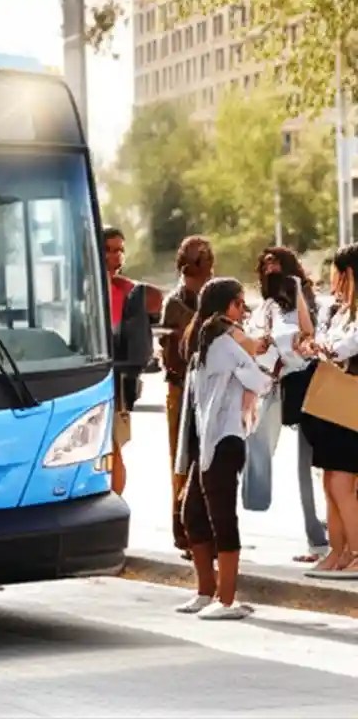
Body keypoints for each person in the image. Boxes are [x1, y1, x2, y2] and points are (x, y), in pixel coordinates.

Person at [173, 277, 273, 619]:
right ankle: (206, 591)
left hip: (225, 439)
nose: (243, 311)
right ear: (225, 305)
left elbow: (260, 379)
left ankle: (227, 599)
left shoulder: (223, 340)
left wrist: (255, 376)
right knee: (193, 515)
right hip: (209, 439)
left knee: (220, 517)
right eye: (239, 303)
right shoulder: (213, 339)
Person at [243, 247, 327, 562]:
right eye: (265, 264)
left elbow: (309, 335)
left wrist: (296, 294)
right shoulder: (267, 306)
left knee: (314, 466)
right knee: (266, 449)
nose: (270, 269)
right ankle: (319, 537)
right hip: (280, 387)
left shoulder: (301, 295)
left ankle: (320, 540)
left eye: (275, 262)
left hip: (309, 384)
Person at [298, 244, 358, 578]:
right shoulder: (338, 311)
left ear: (349, 272)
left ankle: (355, 551)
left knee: (342, 484)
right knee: (331, 482)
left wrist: (325, 347)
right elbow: (324, 342)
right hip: (332, 408)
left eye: (337, 271)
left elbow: (347, 347)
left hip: (350, 409)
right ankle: (339, 550)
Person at [159, 236, 214, 559]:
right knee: (181, 461)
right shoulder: (174, 303)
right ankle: (185, 533)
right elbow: (172, 352)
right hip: (180, 387)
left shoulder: (215, 296)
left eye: (205, 266)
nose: (202, 275)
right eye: (196, 268)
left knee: (210, 461)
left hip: (210, 387)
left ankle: (210, 530)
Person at [103, 227, 163, 495]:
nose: (117, 256)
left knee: (113, 448)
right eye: (110, 250)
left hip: (115, 381)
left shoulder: (128, 291)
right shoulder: (83, 289)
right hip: (88, 378)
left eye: (120, 250)